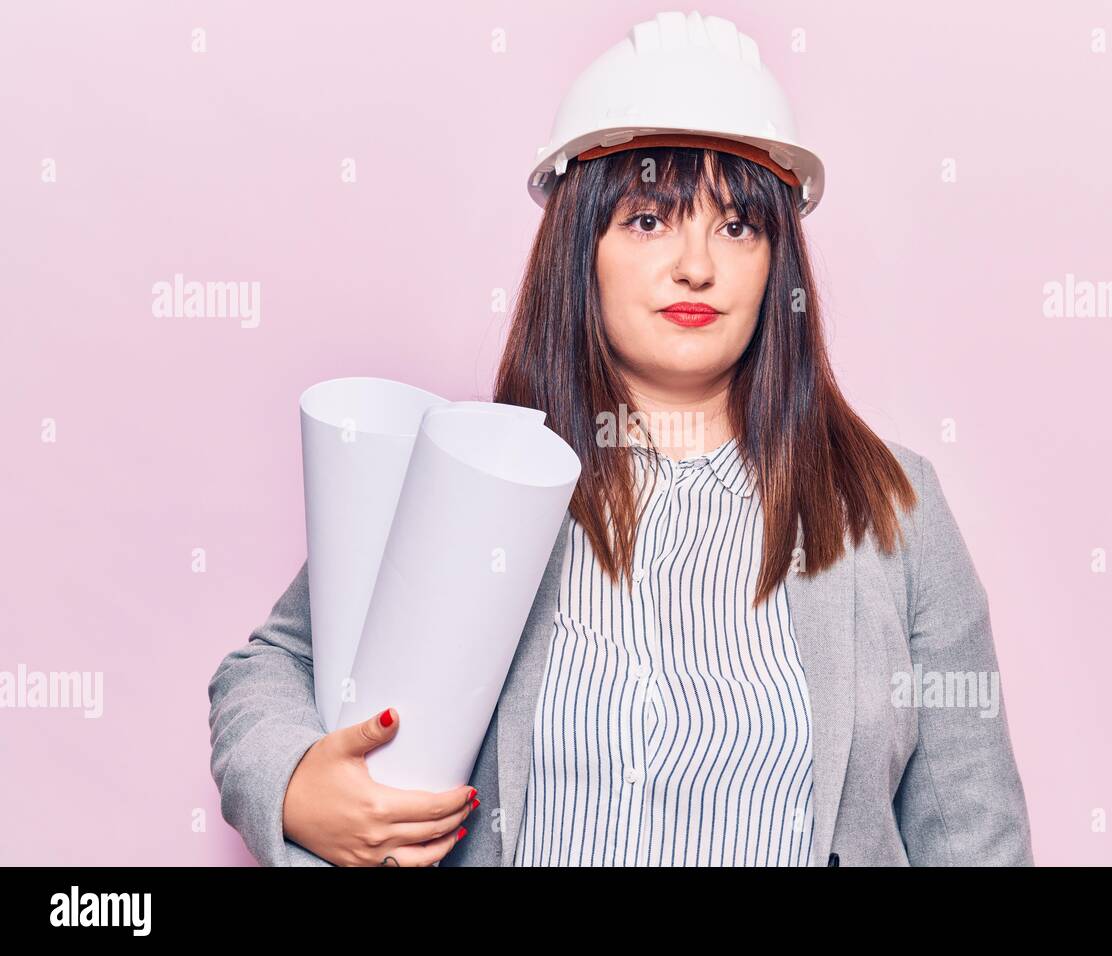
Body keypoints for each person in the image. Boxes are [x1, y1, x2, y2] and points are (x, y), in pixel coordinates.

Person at [207, 10, 1033, 867]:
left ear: (776, 263)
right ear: (581, 245)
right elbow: (268, 669)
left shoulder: (890, 508)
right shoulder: (485, 480)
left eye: (738, 226)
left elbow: (974, 831)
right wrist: (293, 783)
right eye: (647, 220)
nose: (696, 265)